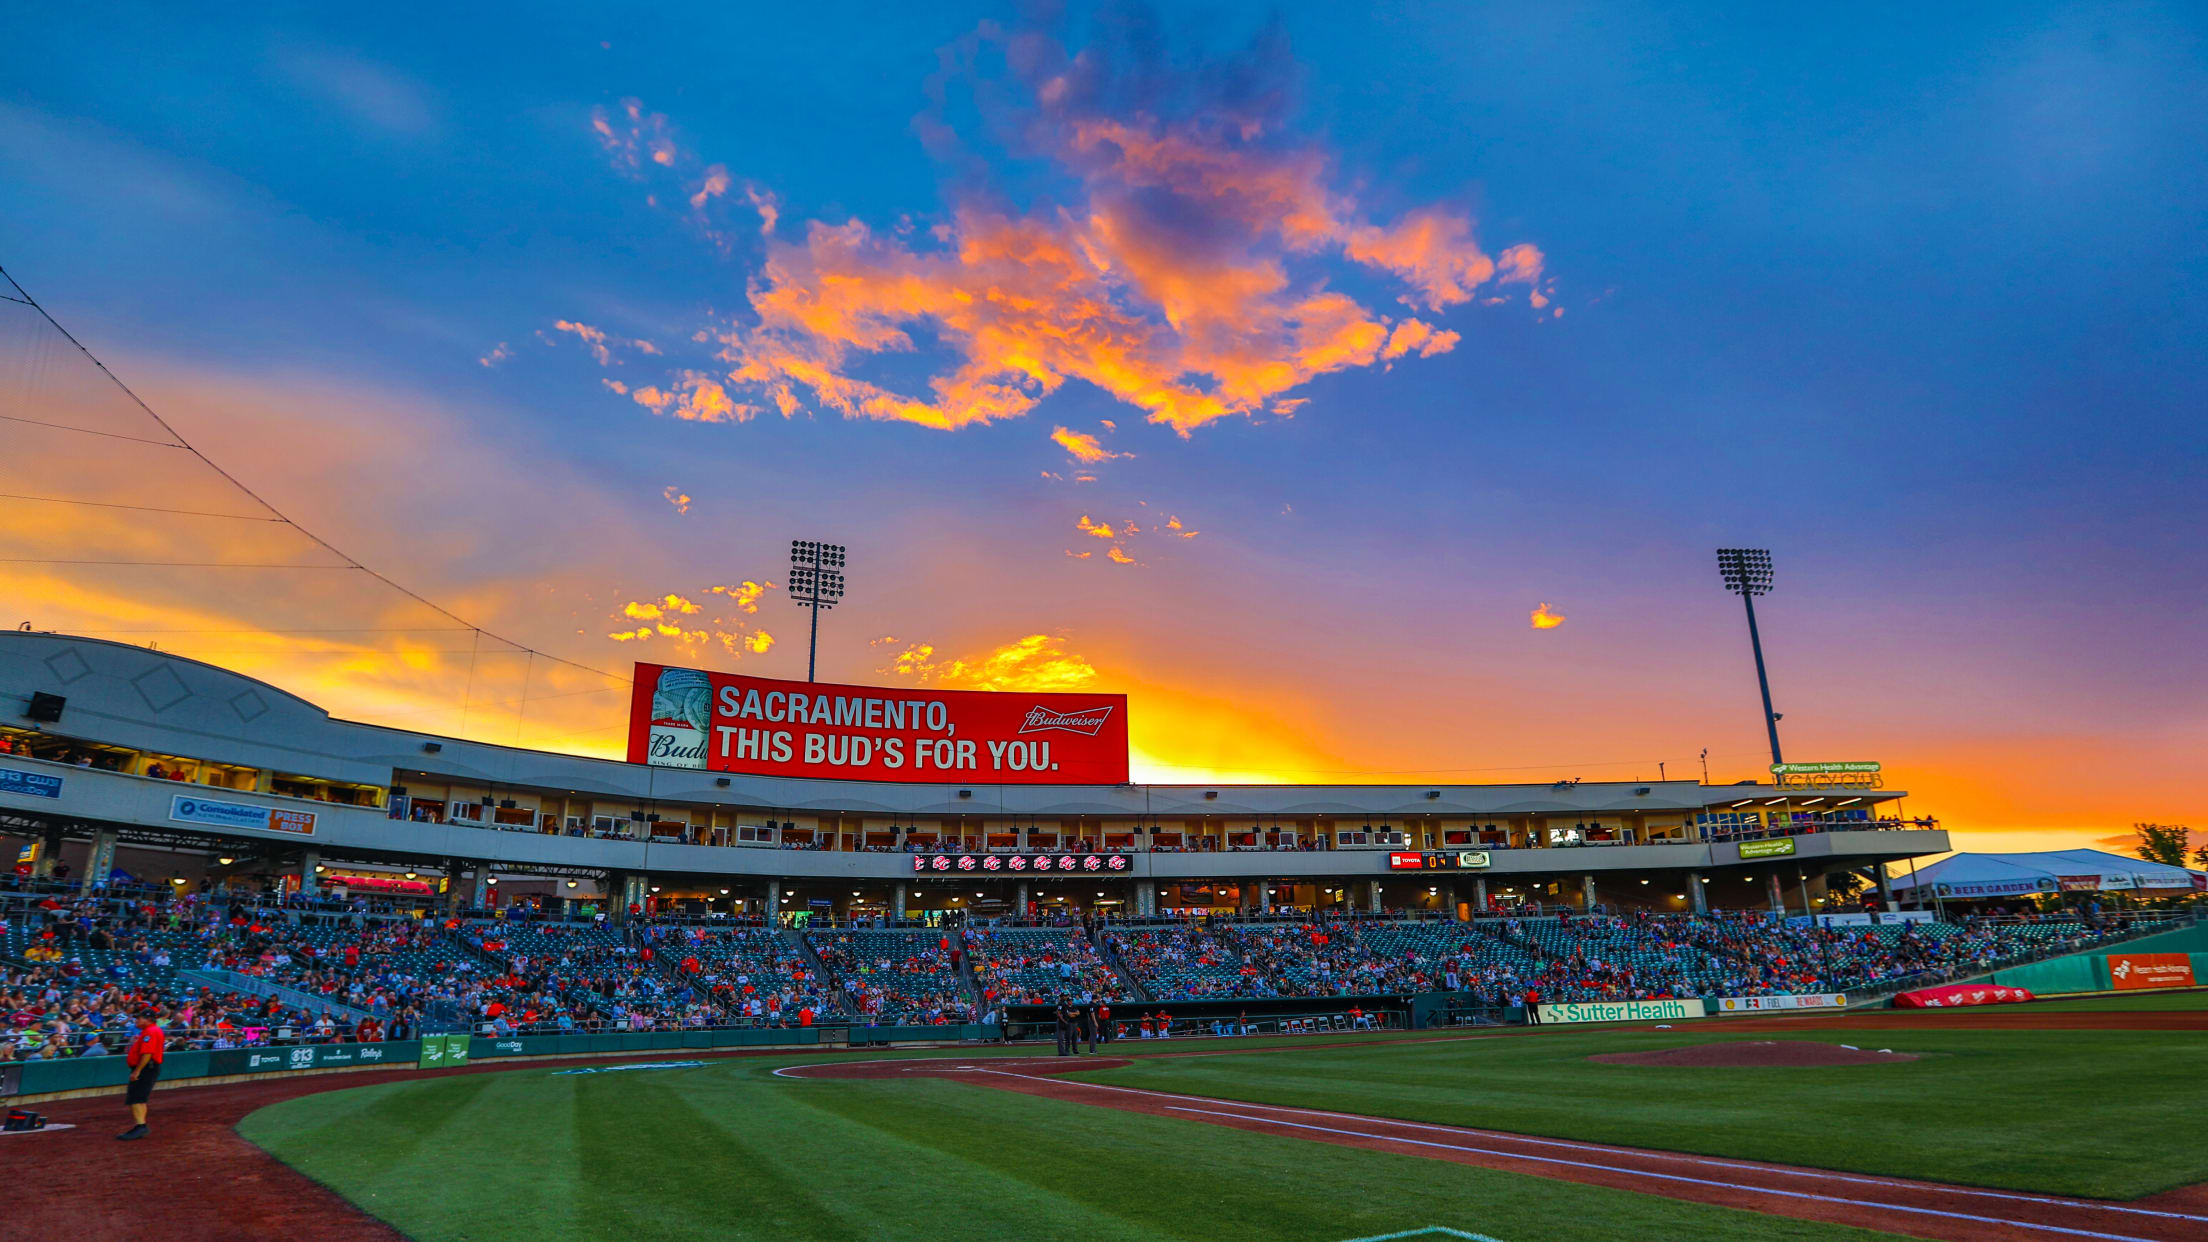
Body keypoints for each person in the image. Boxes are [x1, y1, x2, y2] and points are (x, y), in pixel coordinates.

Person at [118, 1008, 166, 1141]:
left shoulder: (150, 1031)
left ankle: (141, 1126)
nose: (137, 1020)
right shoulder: (151, 1030)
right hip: (149, 1067)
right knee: (140, 1098)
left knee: (136, 1098)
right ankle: (141, 1125)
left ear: (148, 1019)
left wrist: (137, 1070)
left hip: (146, 1068)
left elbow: (147, 1053)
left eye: (139, 1018)